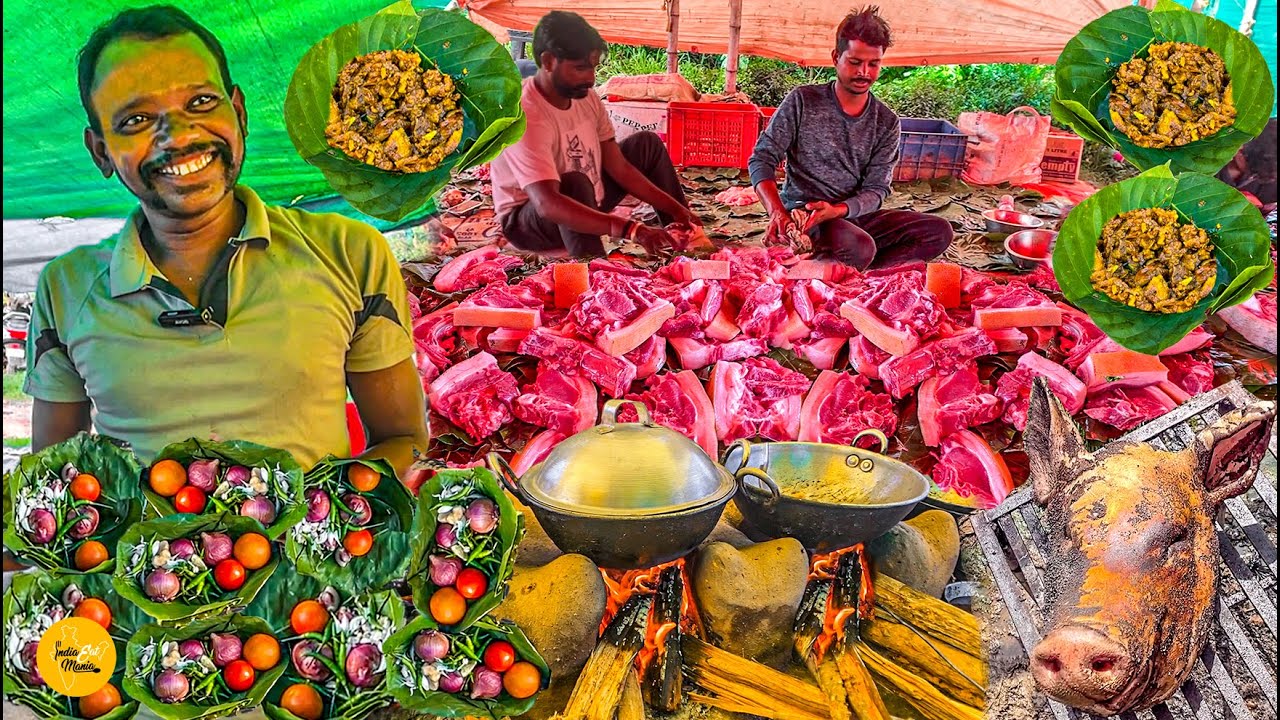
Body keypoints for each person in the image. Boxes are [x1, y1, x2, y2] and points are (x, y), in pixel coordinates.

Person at [25, 5, 430, 479]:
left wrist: (330, 511)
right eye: (135, 120)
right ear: (101, 152)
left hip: (317, 549)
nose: (178, 137)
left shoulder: (349, 253)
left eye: (200, 102)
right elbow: (51, 483)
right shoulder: (66, 288)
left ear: (238, 113)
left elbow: (404, 440)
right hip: (144, 556)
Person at [749, 6, 954, 270]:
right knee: (860, 247)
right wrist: (777, 211)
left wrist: (839, 210)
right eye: (855, 62)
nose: (864, 72)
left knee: (939, 231)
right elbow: (761, 158)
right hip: (807, 217)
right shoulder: (803, 100)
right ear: (836, 57)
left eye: (873, 64)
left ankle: (857, 271)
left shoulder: (886, 121)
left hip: (853, 214)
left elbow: (877, 190)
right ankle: (838, 260)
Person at [490, 11, 702, 258]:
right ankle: (596, 272)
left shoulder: (585, 97)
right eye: (580, 68)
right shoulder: (526, 114)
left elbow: (619, 167)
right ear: (548, 62)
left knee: (646, 144)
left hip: (588, 199)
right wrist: (632, 230)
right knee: (574, 182)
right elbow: (547, 204)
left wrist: (675, 208)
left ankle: (683, 234)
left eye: (592, 68)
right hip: (532, 222)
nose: (590, 79)